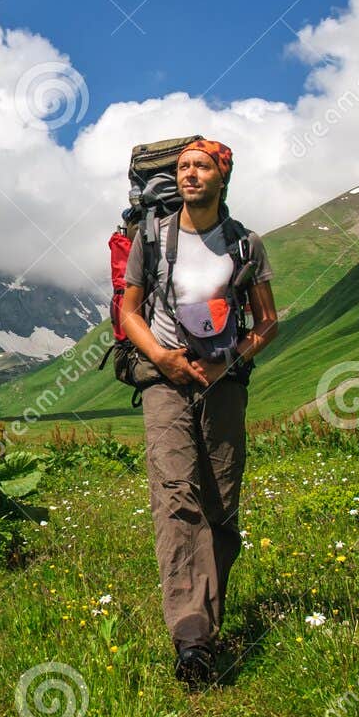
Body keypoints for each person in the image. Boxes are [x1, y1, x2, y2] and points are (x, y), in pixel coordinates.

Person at [118, 138, 279, 687]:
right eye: (184, 166)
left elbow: (267, 322)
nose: (190, 174)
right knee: (174, 495)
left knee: (221, 502)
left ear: (221, 177)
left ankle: (206, 621)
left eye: (201, 167)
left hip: (224, 382)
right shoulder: (151, 237)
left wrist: (228, 361)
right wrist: (162, 357)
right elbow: (129, 309)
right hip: (165, 380)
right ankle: (191, 639)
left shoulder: (245, 244)